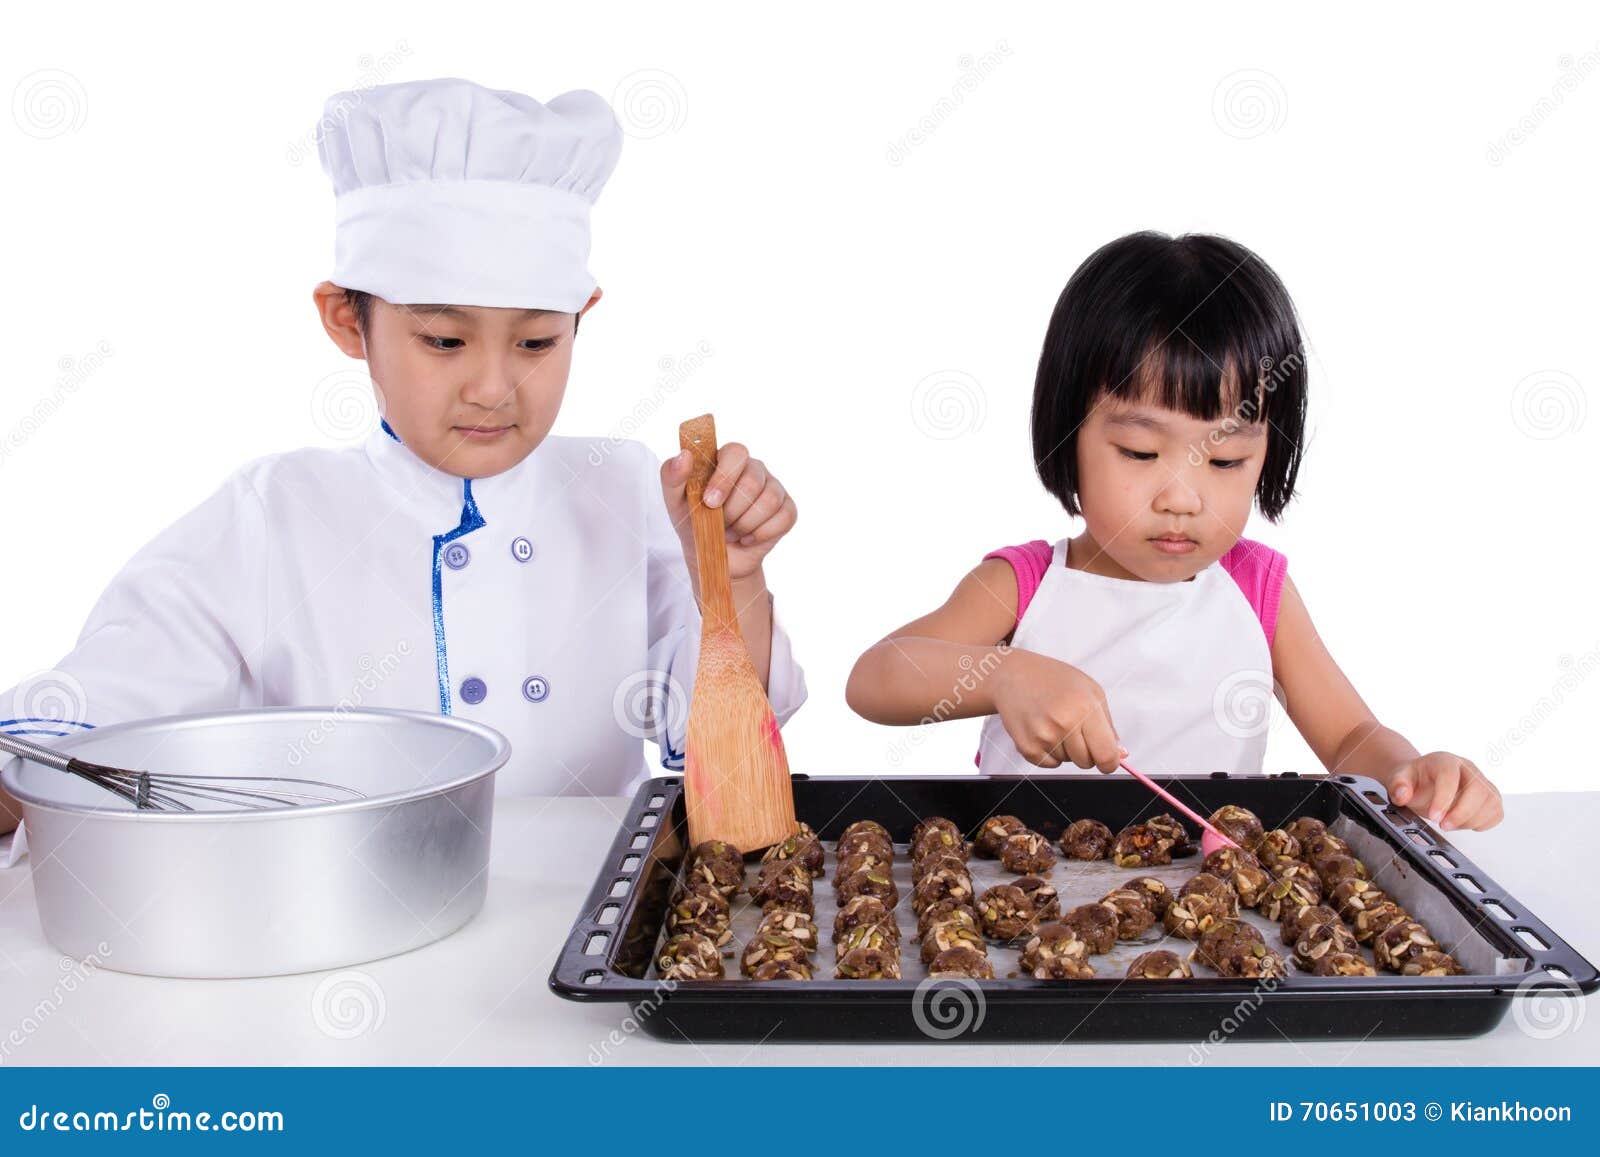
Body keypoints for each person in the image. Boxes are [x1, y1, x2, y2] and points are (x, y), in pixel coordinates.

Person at [1, 78, 805, 837]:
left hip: (596, 924)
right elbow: (83, 721)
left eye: (536, 341)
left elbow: (718, 749)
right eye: (444, 340)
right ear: (349, 322)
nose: (493, 387)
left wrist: (732, 579)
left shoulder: (630, 489)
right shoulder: (274, 515)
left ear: (581, 317)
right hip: (338, 938)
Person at [846, 231, 1501, 831]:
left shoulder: (1256, 589)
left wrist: (1412, 772)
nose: (1181, 497)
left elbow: (1352, 735)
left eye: (1224, 461)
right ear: (1068, 434)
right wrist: (1002, 673)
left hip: (1211, 908)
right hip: (1027, 894)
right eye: (1138, 451)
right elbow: (875, 679)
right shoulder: (1026, 583)